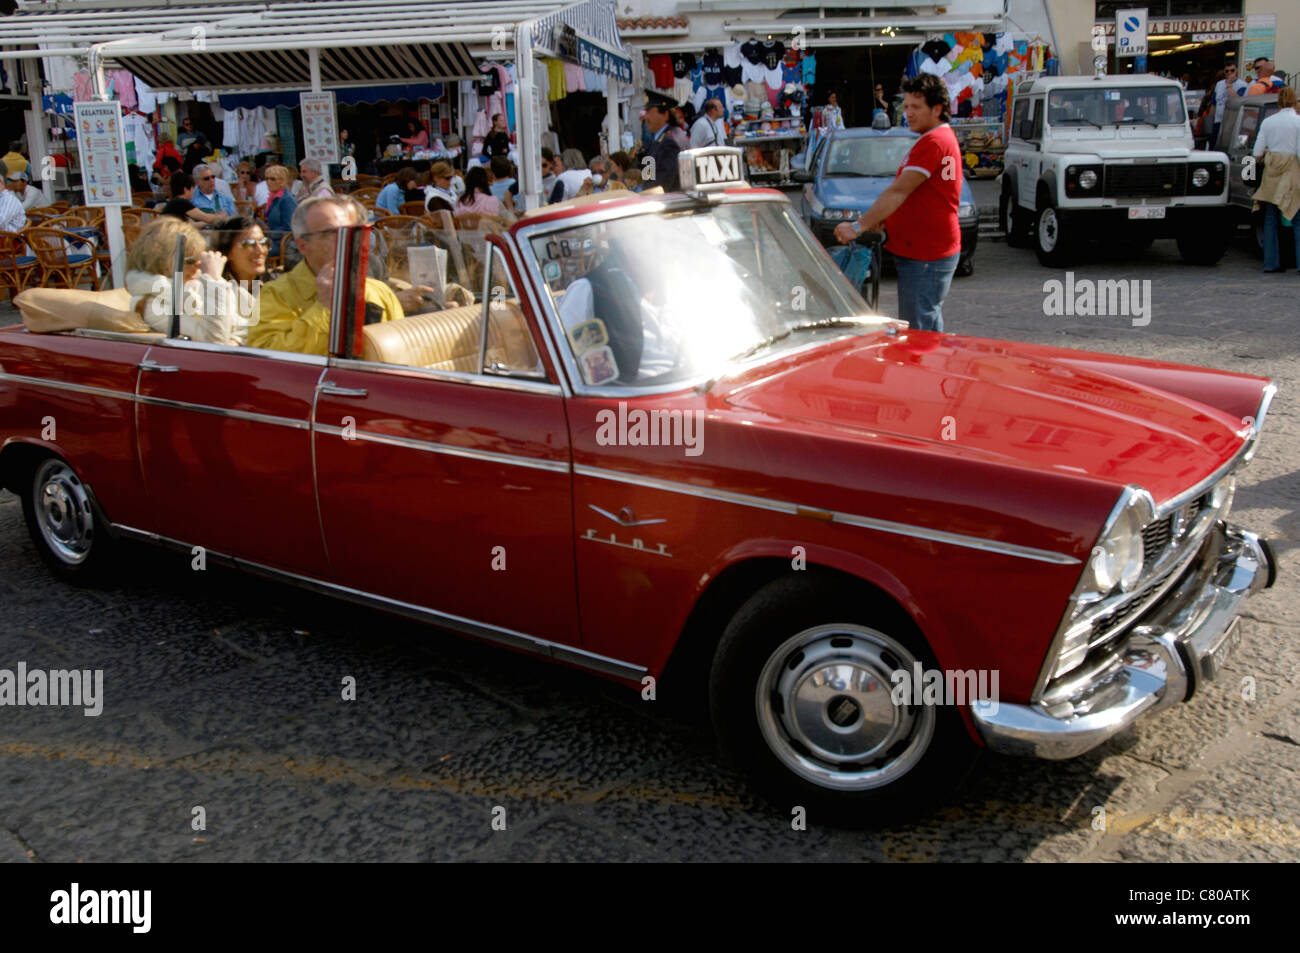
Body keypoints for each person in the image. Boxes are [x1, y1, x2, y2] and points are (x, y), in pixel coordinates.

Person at [835, 73, 961, 332]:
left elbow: (899, 191)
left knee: (920, 331)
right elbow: (921, 193)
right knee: (924, 323)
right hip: (926, 251)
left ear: (937, 109)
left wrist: (857, 227)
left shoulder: (934, 142)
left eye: (916, 107)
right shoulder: (936, 140)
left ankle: (923, 372)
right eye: (906, 106)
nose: (908, 113)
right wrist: (886, 219)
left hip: (926, 255)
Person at [249, 195, 405, 355]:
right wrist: (323, 306)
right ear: (303, 246)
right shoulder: (276, 294)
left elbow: (403, 354)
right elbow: (267, 358)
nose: (350, 241)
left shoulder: (378, 291)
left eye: (352, 232)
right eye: (333, 233)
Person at [123, 216, 248, 345]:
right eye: (190, 260)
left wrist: (235, 340)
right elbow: (214, 341)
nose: (199, 266)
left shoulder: (194, 286)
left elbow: (248, 322)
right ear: (162, 261)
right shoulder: (151, 304)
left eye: (200, 258)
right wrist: (214, 281)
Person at [1251, 85, 1300, 274]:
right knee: (1296, 217)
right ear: (1295, 101)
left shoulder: (1268, 122)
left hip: (1272, 170)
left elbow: (1256, 153)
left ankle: (1271, 263)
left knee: (1270, 217)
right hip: (1291, 169)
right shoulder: (1298, 122)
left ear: (1279, 102)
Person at [643, 103, 681, 191]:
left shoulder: (669, 142)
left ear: (665, 115)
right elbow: (647, 174)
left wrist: (643, 192)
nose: (646, 117)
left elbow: (662, 185)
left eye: (650, 112)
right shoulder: (662, 138)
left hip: (666, 201)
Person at [1213, 62, 1249, 145]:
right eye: (1227, 71)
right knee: (1215, 144)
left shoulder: (1242, 85)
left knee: (1227, 144)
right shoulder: (1219, 84)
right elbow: (1214, 103)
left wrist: (1229, 85)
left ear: (1236, 70)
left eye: (1232, 70)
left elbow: (1237, 101)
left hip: (1232, 121)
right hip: (1218, 119)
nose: (1229, 73)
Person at [260, 165, 297, 240]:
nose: (268, 182)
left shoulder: (286, 200)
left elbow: (288, 228)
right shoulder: (272, 198)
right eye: (266, 179)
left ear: (282, 181)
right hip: (272, 239)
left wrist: (267, 234)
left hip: (282, 243)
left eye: (272, 179)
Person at [0, 162, 26, 233]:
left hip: (11, 240)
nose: (13, 183)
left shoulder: (9, 199)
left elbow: (1, 223)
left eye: (15, 181)